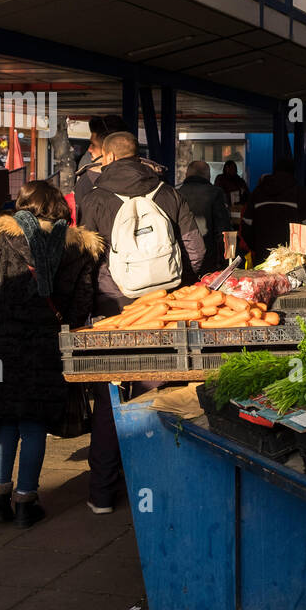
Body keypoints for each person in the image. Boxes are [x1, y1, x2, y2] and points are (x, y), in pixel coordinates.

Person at [0, 181, 103, 527]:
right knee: (35, 422)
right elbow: (81, 304)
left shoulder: (5, 240)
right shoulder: (80, 249)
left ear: (25, 205)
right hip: (45, 345)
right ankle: (26, 501)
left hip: (3, 345)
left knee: (6, 419)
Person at [77, 131, 205, 513]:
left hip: (113, 309)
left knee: (109, 397)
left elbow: (86, 258)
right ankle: (159, 488)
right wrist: (175, 286)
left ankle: (101, 494)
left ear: (110, 157)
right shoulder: (168, 192)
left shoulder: (95, 197)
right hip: (162, 309)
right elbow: (195, 250)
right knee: (159, 392)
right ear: (138, 156)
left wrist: (95, 300)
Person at [239, 156, 306, 264]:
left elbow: (246, 226)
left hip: (263, 256)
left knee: (263, 281)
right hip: (292, 260)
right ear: (293, 173)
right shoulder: (300, 193)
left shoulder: (258, 192)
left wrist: (257, 246)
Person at [178, 160, 233, 275]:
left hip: (181, 261)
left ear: (187, 174)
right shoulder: (216, 193)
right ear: (208, 176)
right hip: (208, 261)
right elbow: (225, 228)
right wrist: (230, 260)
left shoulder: (176, 193)